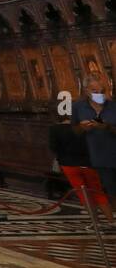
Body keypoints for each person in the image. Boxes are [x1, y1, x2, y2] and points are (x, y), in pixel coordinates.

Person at [50, 109, 113, 223]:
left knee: (83, 195)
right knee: (98, 193)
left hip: (69, 165)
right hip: (88, 164)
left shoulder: (54, 129)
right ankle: (111, 221)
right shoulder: (84, 127)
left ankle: (95, 223)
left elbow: (53, 147)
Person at [74, 73, 116, 214]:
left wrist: (108, 127)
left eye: (102, 91)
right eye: (95, 91)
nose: (99, 94)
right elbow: (74, 130)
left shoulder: (113, 106)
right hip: (99, 157)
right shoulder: (78, 107)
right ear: (86, 91)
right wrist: (82, 127)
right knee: (110, 190)